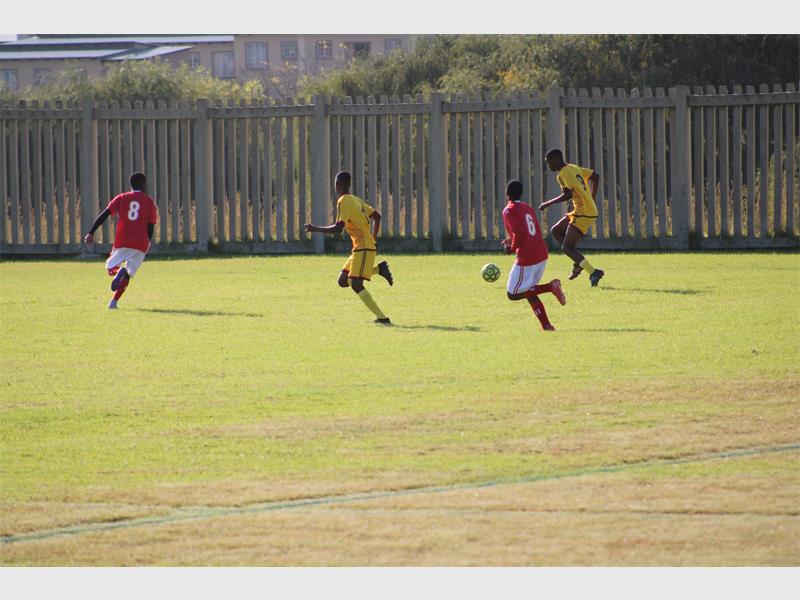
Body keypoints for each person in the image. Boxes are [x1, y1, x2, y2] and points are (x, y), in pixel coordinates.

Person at [304, 171, 393, 325]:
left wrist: (315, 229)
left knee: (355, 283)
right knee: (343, 280)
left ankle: (382, 318)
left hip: (364, 247)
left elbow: (338, 229)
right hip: (360, 247)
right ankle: (379, 269)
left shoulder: (343, 200)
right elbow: (377, 216)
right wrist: (374, 238)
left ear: (337, 185)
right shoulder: (356, 199)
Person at [83, 172, 158, 309]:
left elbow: (104, 215)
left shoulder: (121, 198)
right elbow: (150, 226)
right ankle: (113, 302)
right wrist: (147, 243)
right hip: (141, 243)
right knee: (128, 274)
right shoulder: (149, 202)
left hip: (123, 240)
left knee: (111, 268)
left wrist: (91, 232)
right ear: (143, 184)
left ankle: (118, 274)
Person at [502, 179, 566, 332]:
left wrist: (511, 247)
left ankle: (551, 286)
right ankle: (547, 326)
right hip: (541, 252)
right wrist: (513, 241)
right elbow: (533, 231)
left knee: (513, 294)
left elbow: (520, 232)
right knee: (529, 290)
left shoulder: (509, 210)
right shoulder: (527, 208)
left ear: (507, 194)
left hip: (527, 258)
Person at [540, 148, 605, 286]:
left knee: (567, 248)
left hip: (583, 212)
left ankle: (594, 272)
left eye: (549, 162)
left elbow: (568, 194)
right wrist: (591, 196)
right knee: (556, 231)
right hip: (582, 210)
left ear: (556, 159)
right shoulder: (573, 167)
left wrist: (548, 203)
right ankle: (578, 262)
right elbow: (595, 175)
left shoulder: (562, 174)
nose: (549, 166)